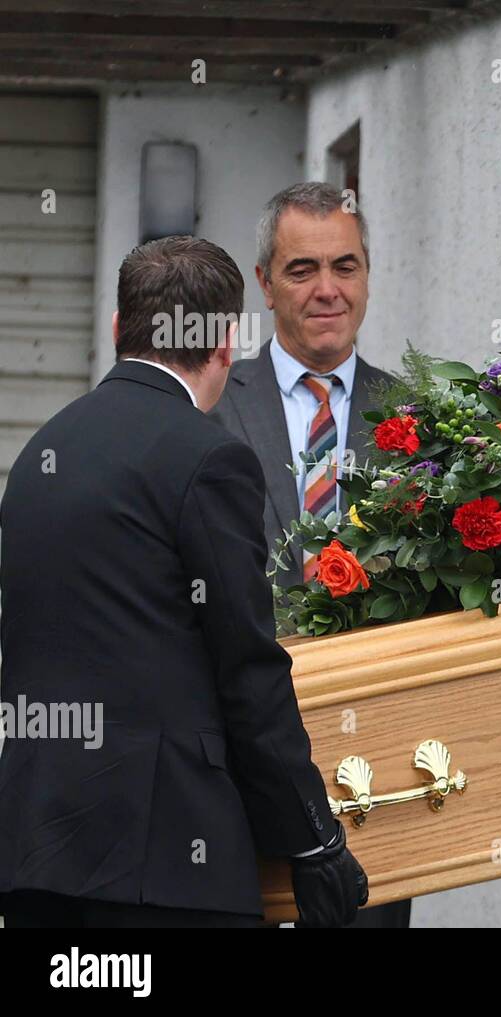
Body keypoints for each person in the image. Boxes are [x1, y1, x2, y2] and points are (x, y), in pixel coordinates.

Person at [0, 235, 367, 927]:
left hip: (37, 855)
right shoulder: (209, 459)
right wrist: (314, 837)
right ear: (225, 343)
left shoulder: (41, 452)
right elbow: (248, 671)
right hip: (163, 867)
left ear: (119, 330)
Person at [210, 182, 410, 929]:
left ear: (366, 275)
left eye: (346, 266)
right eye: (302, 270)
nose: (328, 289)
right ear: (264, 282)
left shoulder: (422, 418)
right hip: (241, 774)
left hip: (380, 770)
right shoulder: (213, 406)